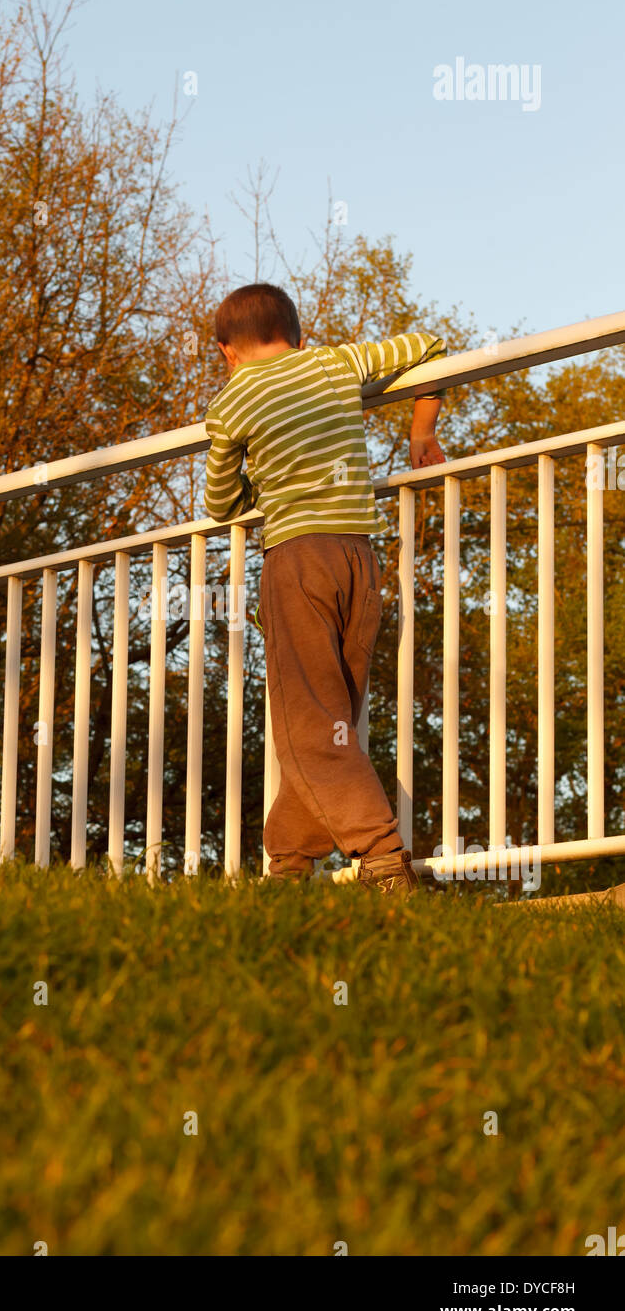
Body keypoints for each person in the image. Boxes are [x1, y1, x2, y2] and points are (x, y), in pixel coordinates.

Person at [203, 283, 446, 895]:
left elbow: (220, 503)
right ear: (298, 335)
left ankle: (385, 860)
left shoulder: (231, 402)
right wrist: (421, 432)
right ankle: (289, 865)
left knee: (309, 720)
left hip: (297, 560)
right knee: (331, 718)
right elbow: (432, 346)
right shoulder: (334, 362)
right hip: (359, 560)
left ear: (227, 352)